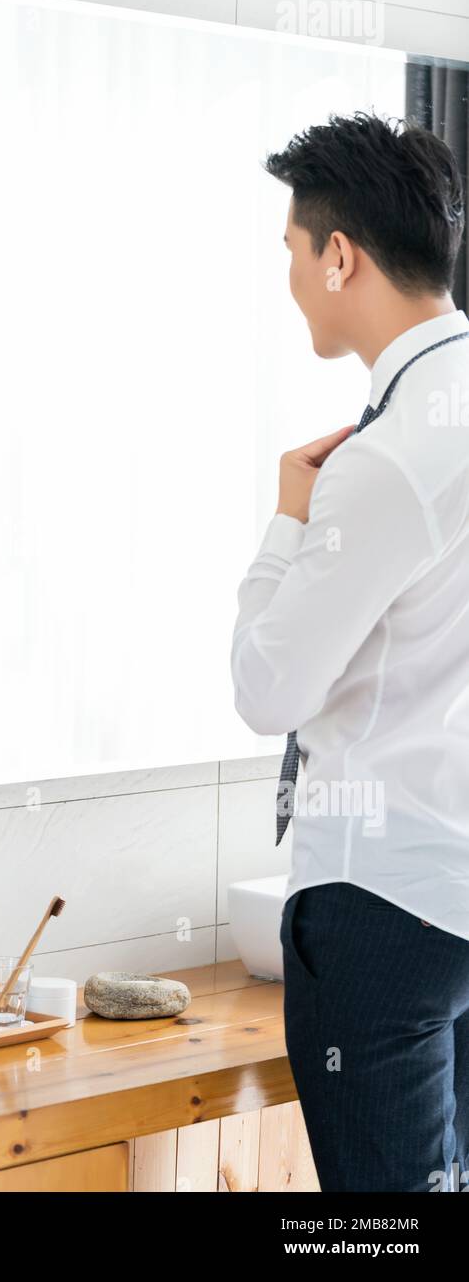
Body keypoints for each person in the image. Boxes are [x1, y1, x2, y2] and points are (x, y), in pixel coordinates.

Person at [231, 110, 469, 1192]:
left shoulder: (386, 458)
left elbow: (269, 685)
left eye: (291, 252)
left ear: (340, 256)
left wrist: (288, 517)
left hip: (380, 908)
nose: (289, 281)